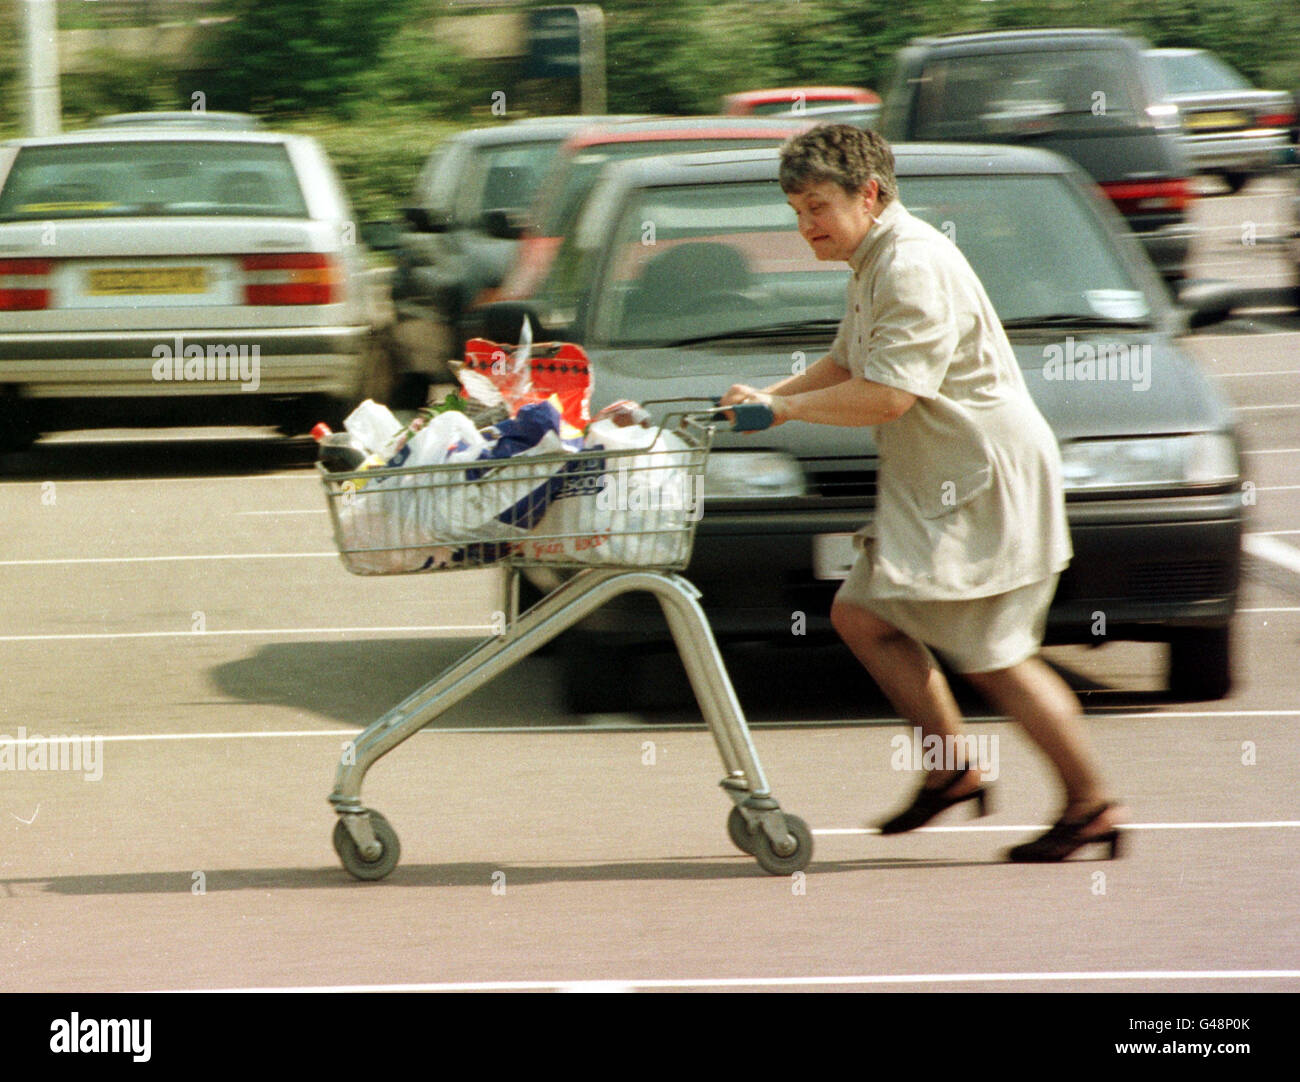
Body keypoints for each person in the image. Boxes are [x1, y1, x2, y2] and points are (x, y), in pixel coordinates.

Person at [720, 124, 1124, 861]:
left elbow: (889, 396)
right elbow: (847, 362)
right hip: (942, 480)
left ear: (868, 195)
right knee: (861, 614)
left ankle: (1090, 806)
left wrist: (781, 410)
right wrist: (764, 397)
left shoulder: (911, 265)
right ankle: (953, 770)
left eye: (817, 207)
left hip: (980, 480)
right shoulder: (877, 259)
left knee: (995, 654)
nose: (806, 226)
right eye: (796, 211)